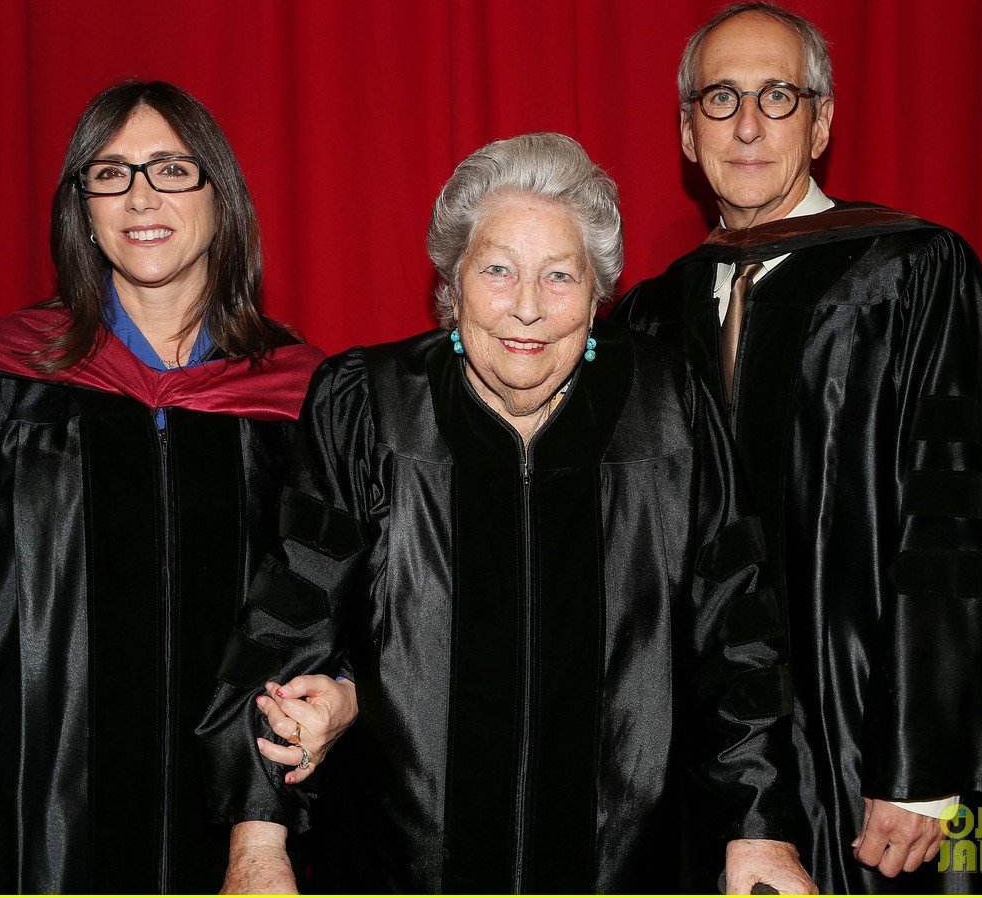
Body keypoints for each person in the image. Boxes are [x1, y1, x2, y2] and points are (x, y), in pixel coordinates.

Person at [197, 132, 817, 894]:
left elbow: (737, 635)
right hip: (402, 865)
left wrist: (760, 832)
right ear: (452, 283)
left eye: (559, 275)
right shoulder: (369, 405)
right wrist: (260, 844)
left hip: (623, 867)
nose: (527, 308)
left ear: (598, 293)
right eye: (496, 270)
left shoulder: (669, 410)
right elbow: (290, 623)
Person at [611, 2, 982, 894]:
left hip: (871, 733)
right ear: (685, 128)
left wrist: (926, 766)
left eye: (779, 96)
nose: (747, 125)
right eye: (721, 98)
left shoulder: (915, 273)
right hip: (707, 756)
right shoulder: (650, 314)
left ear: (821, 122)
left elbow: (955, 522)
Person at [0, 80, 336, 894]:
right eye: (109, 173)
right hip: (29, 826)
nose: (139, 196)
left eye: (172, 169)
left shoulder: (304, 402)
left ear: (219, 196)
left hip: (237, 837)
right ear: (82, 210)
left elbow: (337, 622)